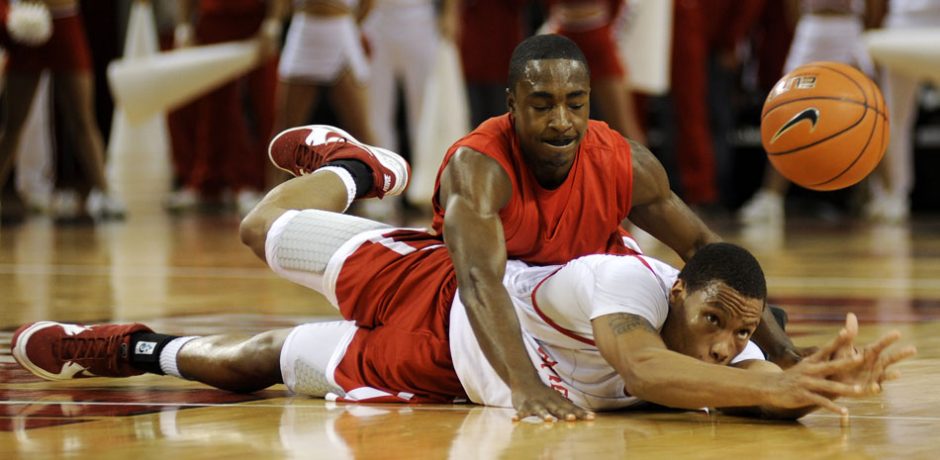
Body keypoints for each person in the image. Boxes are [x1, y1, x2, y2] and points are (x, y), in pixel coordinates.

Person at [255, 34, 808, 420]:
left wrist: (786, 357)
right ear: (512, 106)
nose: (562, 121)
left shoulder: (624, 163)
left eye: (576, 103)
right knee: (262, 229)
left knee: (287, 356)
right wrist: (526, 386)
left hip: (569, 315)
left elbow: (706, 249)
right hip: (454, 293)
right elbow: (478, 282)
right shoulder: (479, 167)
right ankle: (357, 168)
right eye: (542, 105)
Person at [9, 184, 914, 419]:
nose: (722, 347)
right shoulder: (623, 280)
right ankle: (357, 170)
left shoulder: (733, 352)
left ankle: (131, 348)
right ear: (678, 288)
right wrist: (773, 391)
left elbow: (754, 386)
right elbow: (644, 366)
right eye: (712, 320)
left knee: (263, 363)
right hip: (438, 286)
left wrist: (815, 382)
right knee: (261, 229)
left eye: (738, 338)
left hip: (437, 369)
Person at [738, 0, 880, 224]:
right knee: (788, 110)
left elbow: (875, 8)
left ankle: (881, 195)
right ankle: (771, 197)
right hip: (811, 28)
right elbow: (791, 8)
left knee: (870, 112)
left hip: (848, 29)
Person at [0, 0, 124, 224]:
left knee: (83, 119)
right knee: (13, 125)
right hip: (29, 21)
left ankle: (104, 191)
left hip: (66, 20)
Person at [165, 0, 284, 215]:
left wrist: (272, 23)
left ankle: (255, 182)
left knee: (262, 102)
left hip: (254, 19)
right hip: (213, 19)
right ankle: (208, 182)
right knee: (212, 105)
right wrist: (184, 25)